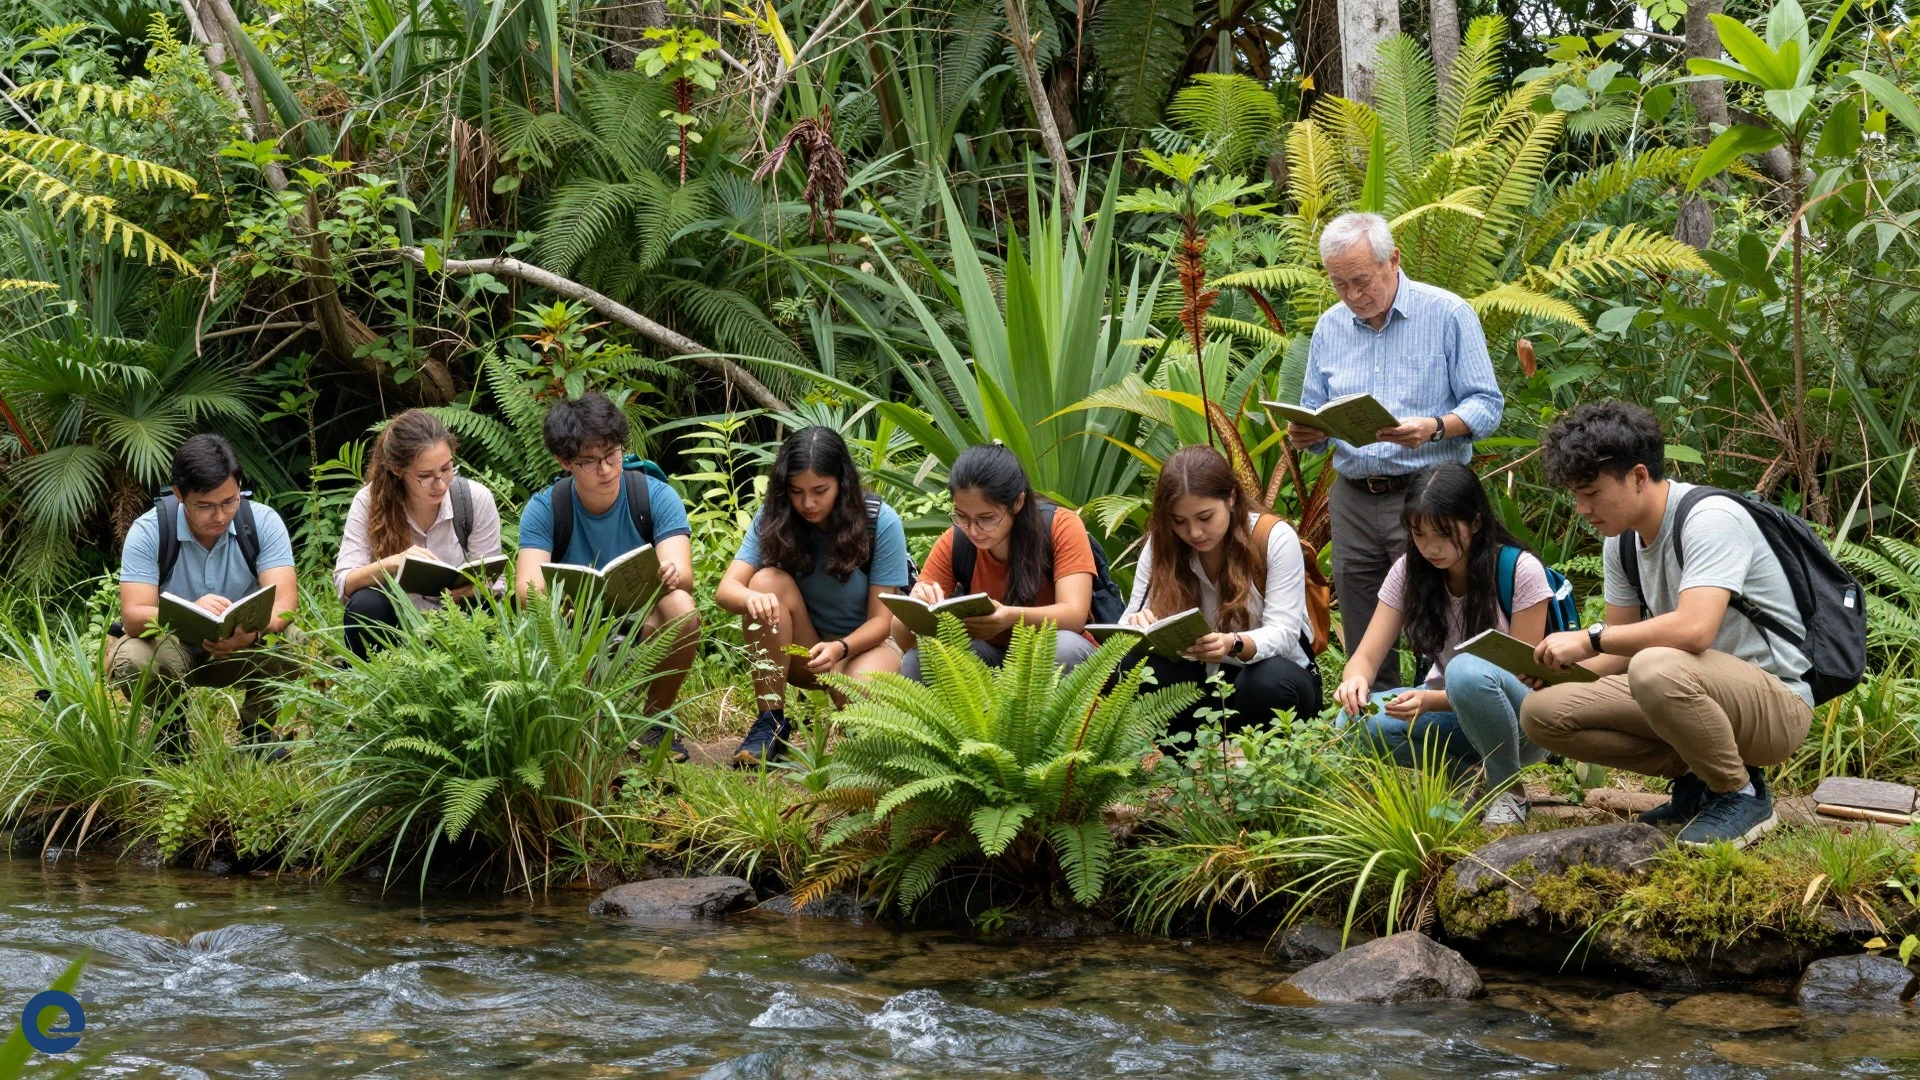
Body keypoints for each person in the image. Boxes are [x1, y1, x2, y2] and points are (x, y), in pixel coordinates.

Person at [1522, 402, 1813, 848]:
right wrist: (1554, 673)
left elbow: (1695, 630)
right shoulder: (1621, 541)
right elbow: (1619, 654)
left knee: (1655, 666)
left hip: (1775, 704)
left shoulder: (1710, 518)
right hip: (1691, 693)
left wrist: (1589, 638)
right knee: (1543, 714)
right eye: (1575, 495)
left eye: (1591, 492)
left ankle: (1741, 793)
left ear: (1639, 476)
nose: (1581, 508)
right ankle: (1698, 785)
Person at [1286, 212, 1503, 690]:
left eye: (1361, 281)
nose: (1352, 296)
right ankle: (1376, 730)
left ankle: (1450, 723)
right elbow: (1313, 409)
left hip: (1430, 495)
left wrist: (1435, 427)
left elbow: (1487, 406)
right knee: (1363, 617)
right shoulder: (1330, 327)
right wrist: (1308, 432)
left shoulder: (1447, 313)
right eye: (1339, 284)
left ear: (1393, 260)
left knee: (1442, 610)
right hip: (1354, 496)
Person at [1336, 464, 1552, 825]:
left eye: (1443, 534)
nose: (1430, 548)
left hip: (1522, 720)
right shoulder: (1410, 570)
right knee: (1352, 720)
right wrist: (1354, 682)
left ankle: (1508, 790)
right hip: (1454, 713)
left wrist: (1428, 699)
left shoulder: (1519, 570)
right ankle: (1465, 776)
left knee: (1465, 671)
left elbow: (1524, 677)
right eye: (1419, 534)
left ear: (1476, 523)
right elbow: (1366, 657)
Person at [514, 393, 700, 752]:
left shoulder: (654, 496)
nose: (606, 469)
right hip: (576, 629)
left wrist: (671, 572)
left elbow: (684, 572)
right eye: (590, 461)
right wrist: (555, 603)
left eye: (612, 454)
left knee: (681, 605)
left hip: (643, 622)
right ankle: (582, 723)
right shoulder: (545, 508)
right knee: (544, 618)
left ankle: (656, 720)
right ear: (564, 461)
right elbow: (527, 588)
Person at [717, 427, 911, 764]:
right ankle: (770, 722)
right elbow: (726, 589)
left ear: (842, 483)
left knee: (851, 687)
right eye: (797, 492)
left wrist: (840, 648)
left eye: (820, 490)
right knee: (764, 583)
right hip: (805, 651)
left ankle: (868, 746)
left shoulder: (880, 522)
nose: (808, 503)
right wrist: (752, 600)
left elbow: (882, 622)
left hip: (865, 648)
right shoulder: (776, 517)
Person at [110, 434, 300, 747]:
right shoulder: (149, 530)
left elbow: (285, 603)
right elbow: (133, 615)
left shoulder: (262, 522)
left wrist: (251, 635)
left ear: (239, 488)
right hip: (172, 647)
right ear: (179, 495)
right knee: (132, 657)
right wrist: (193, 610)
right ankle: (170, 733)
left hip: (240, 646)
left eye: (229, 501)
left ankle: (259, 732)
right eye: (205, 506)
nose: (220, 516)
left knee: (292, 641)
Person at [1120, 445, 1320, 742]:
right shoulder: (1162, 545)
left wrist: (1233, 644)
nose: (1194, 532)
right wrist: (1137, 623)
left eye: (1204, 517)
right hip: (1201, 679)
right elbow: (1126, 623)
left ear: (1231, 498)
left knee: (1266, 681)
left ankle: (1258, 764)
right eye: (1179, 521)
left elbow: (1284, 633)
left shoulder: (1272, 537)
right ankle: (1186, 760)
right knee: (1128, 667)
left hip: (1276, 676)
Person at [893, 444, 1097, 679]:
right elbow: (905, 641)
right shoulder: (955, 541)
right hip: (987, 654)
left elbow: (1074, 614)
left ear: (1017, 503)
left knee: (1063, 648)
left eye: (986, 518)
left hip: (1049, 650)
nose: (973, 529)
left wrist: (1009, 617)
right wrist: (913, 611)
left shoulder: (1061, 526)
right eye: (962, 516)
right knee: (919, 661)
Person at [333, 410, 503, 658]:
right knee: (365, 605)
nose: (441, 483)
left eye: (447, 469)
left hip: (459, 621)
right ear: (397, 470)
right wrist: (395, 563)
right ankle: (378, 680)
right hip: (398, 623)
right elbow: (344, 583)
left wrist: (472, 590)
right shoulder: (369, 502)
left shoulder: (473, 499)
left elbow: (494, 581)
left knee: (484, 604)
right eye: (425, 476)